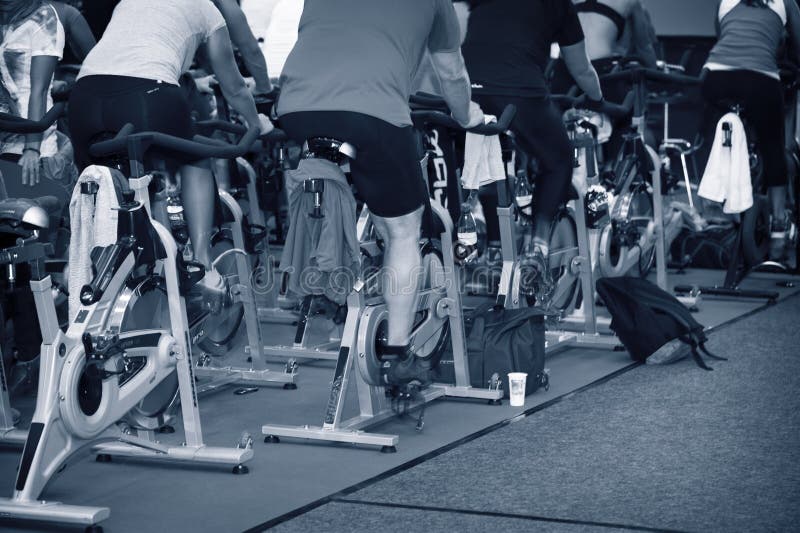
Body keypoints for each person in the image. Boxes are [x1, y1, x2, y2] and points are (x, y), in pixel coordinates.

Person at [276, 0, 483, 377]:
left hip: (296, 108)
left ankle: (329, 283)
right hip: (372, 111)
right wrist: (467, 115)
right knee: (403, 229)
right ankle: (398, 353)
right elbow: (451, 73)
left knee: (345, 181)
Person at [68, 0, 264, 299]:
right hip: (147, 93)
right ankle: (202, 264)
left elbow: (133, 50)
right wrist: (256, 122)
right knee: (196, 155)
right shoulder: (208, 11)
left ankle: (85, 262)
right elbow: (234, 87)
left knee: (100, 181)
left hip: (84, 97)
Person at [460, 0, 603, 267]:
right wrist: (597, 98)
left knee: (474, 161)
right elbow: (581, 69)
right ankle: (538, 245)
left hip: (467, 89)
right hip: (519, 91)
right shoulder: (559, 5)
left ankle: (478, 237)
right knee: (558, 161)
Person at [702, 0, 800, 259]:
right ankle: (779, 229)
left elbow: (724, 36)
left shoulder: (725, 1)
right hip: (760, 78)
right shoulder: (786, 3)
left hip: (715, 77)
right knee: (773, 147)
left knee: (715, 137)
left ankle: (714, 211)